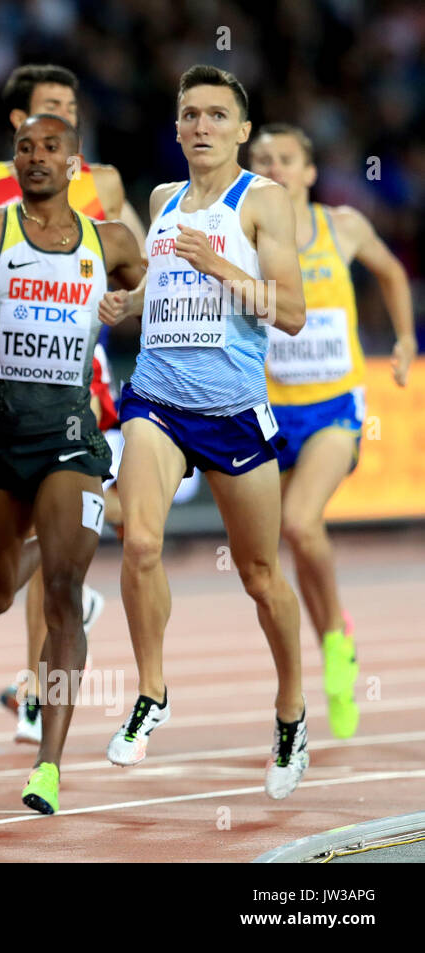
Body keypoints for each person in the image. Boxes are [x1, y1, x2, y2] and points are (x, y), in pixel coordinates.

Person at [0, 114, 145, 814]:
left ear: (76, 165)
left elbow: (148, 292)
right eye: (25, 148)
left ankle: (49, 765)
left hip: (72, 432)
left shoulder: (112, 240)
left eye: (51, 149)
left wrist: (127, 303)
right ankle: (49, 542)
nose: (36, 157)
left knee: (65, 595)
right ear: (15, 161)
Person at [99, 66, 309, 798]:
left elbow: (290, 313)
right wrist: (128, 302)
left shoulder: (265, 201)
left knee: (260, 577)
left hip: (233, 412)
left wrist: (219, 264)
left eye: (217, 115)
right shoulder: (162, 199)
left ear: (243, 131)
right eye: (190, 114)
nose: (200, 126)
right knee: (141, 541)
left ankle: (290, 710)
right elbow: (161, 279)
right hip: (156, 397)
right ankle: (151, 692)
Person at [248, 124, 417, 738]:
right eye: (261, 160)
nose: (273, 168)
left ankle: (336, 640)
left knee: (299, 521)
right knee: (287, 545)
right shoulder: (245, 232)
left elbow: (392, 273)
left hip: (334, 410)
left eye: (285, 160)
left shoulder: (341, 226)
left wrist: (402, 340)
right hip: (268, 411)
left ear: (309, 171)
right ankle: (335, 641)